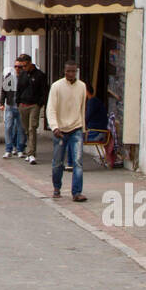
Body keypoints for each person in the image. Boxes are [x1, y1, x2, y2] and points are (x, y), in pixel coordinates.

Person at [47, 61, 88, 201]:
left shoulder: (82, 86)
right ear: (64, 71)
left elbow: (82, 108)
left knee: (78, 162)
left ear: (76, 71)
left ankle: (77, 192)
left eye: (73, 71)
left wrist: (83, 128)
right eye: (68, 71)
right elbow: (51, 109)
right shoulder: (56, 87)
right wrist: (54, 127)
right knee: (58, 162)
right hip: (60, 130)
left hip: (76, 127)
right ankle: (57, 188)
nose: (70, 74)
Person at [16, 54, 48, 165]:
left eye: (25, 66)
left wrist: (40, 104)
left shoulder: (40, 75)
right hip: (23, 105)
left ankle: (31, 153)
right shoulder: (22, 75)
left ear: (30, 63)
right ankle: (29, 149)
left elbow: (44, 91)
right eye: (21, 66)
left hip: (34, 105)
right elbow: (19, 89)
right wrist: (18, 102)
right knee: (26, 129)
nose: (23, 68)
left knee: (32, 128)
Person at [0, 60, 23, 159]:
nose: (17, 69)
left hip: (21, 106)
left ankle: (20, 149)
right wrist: (1, 103)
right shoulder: (10, 76)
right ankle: (8, 149)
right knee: (8, 127)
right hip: (10, 105)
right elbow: (4, 90)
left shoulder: (25, 77)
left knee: (21, 129)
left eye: (19, 67)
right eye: (16, 66)